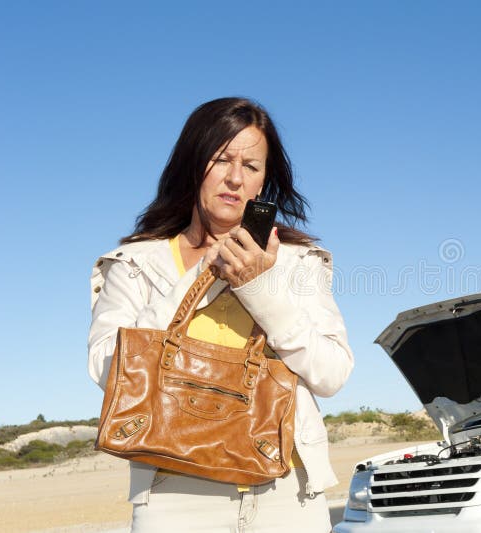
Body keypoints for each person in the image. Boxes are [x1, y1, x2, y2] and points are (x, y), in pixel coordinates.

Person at [88, 97, 354, 532]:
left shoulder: (296, 262)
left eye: (251, 166)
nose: (235, 177)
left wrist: (257, 287)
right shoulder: (135, 263)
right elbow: (108, 369)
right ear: (192, 164)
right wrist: (202, 272)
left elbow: (332, 374)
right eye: (221, 159)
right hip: (174, 493)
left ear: (263, 182)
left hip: (287, 492)